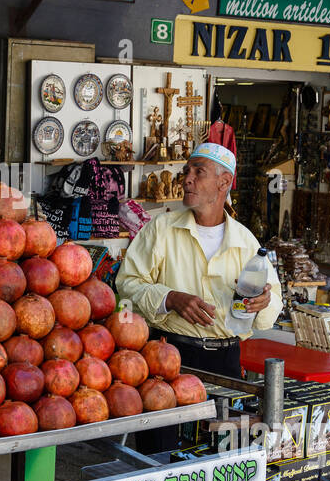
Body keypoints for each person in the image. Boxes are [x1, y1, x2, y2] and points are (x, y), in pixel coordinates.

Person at [116, 142, 283, 380]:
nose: (186, 180)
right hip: (168, 355)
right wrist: (169, 298)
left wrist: (263, 301)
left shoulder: (246, 241)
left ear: (224, 182)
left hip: (226, 360)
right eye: (186, 172)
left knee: (224, 418)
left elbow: (275, 299)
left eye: (198, 172)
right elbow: (126, 286)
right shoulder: (161, 229)